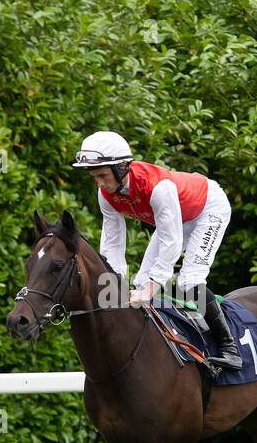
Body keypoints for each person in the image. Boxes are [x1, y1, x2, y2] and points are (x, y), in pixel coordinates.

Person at [71, 130, 242, 370]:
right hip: (179, 215)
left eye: (102, 175)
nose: (99, 184)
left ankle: (229, 347)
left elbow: (172, 242)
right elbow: (112, 244)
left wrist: (151, 288)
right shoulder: (106, 195)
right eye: (94, 177)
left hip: (208, 208)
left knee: (188, 282)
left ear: (122, 167)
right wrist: (114, 284)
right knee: (140, 283)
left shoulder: (157, 187)